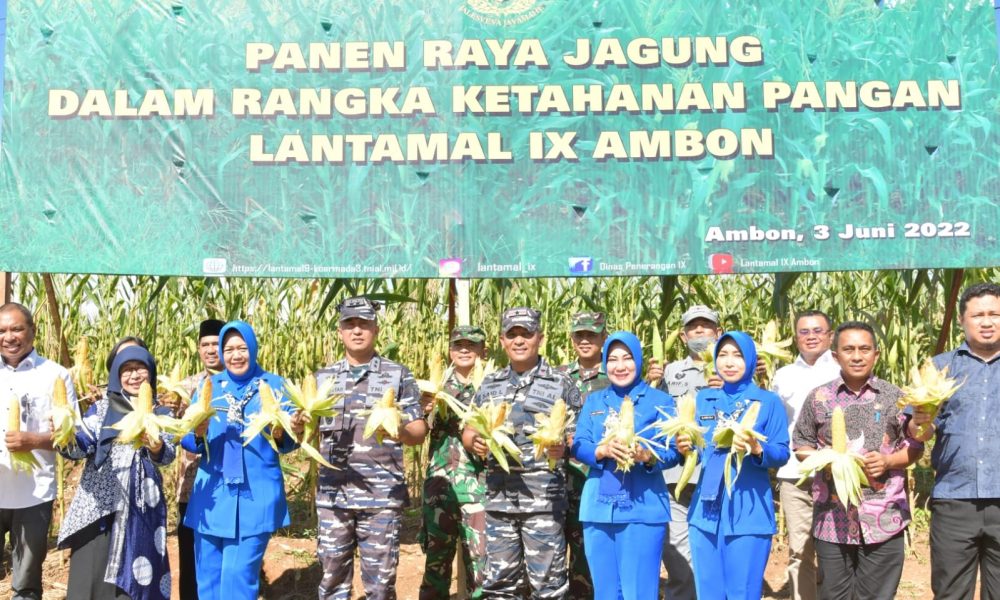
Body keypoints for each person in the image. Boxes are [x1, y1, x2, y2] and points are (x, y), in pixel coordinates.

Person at [792, 321, 923, 600]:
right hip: (832, 519)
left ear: (876, 354)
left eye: (864, 349)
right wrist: (823, 460)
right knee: (833, 595)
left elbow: (916, 447)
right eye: (848, 349)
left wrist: (889, 462)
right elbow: (801, 443)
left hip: (884, 517)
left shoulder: (896, 397)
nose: (857, 355)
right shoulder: (818, 398)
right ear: (836, 355)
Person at [462, 306, 582, 599]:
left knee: (548, 587)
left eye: (526, 334)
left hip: (542, 503)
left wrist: (564, 445)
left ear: (539, 338)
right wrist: (473, 441)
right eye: (511, 334)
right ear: (502, 341)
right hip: (499, 502)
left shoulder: (560, 383)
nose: (518, 340)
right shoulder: (490, 384)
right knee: (500, 586)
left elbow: (579, 435)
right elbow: (469, 427)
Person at [313, 296, 427, 600]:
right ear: (340, 332)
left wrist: (394, 425)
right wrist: (298, 423)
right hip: (333, 498)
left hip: (382, 497)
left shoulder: (397, 375)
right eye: (350, 324)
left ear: (375, 329)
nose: (357, 331)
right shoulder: (323, 378)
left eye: (364, 324)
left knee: (380, 585)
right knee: (332, 581)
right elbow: (307, 433)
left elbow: (418, 432)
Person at [181, 320, 301, 600]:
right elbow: (188, 439)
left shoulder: (275, 385)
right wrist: (196, 434)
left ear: (254, 348)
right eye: (229, 349)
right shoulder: (210, 386)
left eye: (242, 348)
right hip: (211, 498)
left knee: (238, 581)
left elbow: (289, 443)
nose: (236, 355)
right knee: (207, 580)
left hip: (254, 498)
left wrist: (286, 429)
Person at [57, 345, 175, 600]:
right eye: (127, 370)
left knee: (135, 580)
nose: (134, 375)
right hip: (100, 508)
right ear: (116, 376)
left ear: (151, 373)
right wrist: (65, 437)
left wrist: (156, 446)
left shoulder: (162, 414)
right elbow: (83, 443)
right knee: (92, 577)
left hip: (142, 511)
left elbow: (168, 454)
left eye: (140, 368)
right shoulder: (101, 410)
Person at [571, 330, 681, 600]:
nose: (620, 366)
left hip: (642, 509)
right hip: (598, 510)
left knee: (639, 593)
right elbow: (579, 444)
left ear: (639, 359)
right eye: (613, 359)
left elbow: (674, 451)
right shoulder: (595, 400)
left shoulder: (661, 401)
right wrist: (601, 450)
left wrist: (647, 456)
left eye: (627, 358)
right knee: (606, 594)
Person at [682, 331, 789, 600]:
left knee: (742, 592)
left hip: (748, 512)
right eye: (723, 355)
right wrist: (684, 445)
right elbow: (695, 446)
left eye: (738, 355)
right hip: (705, 513)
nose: (729, 362)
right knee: (708, 593)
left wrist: (756, 448)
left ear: (751, 360)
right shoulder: (703, 399)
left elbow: (782, 452)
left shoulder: (768, 402)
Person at [924, 282, 1000, 599]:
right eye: (978, 314)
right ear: (961, 320)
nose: (987, 321)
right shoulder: (940, 368)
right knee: (950, 592)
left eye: (994, 313)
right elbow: (920, 433)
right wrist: (918, 420)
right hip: (954, 499)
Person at [0, 303, 78, 600]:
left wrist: (33, 440)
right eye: (2, 330)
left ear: (33, 331)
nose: (9, 337)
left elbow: (72, 439)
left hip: (34, 492)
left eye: (17, 329)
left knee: (27, 582)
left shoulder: (55, 375)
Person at [647, 304, 724, 600]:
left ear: (718, 332)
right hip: (674, 477)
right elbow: (651, 414)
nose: (700, 331)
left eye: (706, 326)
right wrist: (651, 381)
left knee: (713, 552)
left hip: (716, 477)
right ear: (682, 335)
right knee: (679, 556)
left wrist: (731, 386)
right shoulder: (669, 371)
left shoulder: (730, 368)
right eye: (694, 327)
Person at [771, 310, 840, 600]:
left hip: (837, 473)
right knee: (800, 549)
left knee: (836, 549)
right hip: (794, 475)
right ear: (795, 337)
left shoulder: (842, 369)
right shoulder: (783, 375)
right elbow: (774, 420)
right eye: (804, 332)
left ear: (830, 335)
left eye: (818, 331)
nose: (811, 336)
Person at [418, 325, 488, 600]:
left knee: (481, 563)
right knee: (436, 562)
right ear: (450, 350)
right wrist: (424, 412)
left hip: (479, 486)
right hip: (440, 484)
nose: (464, 349)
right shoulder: (433, 389)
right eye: (458, 345)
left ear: (483, 350)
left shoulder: (493, 385)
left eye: (471, 345)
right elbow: (418, 431)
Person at [556, 311, 610, 599]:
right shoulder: (557, 375)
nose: (585, 340)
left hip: (596, 478)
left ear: (603, 337)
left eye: (592, 334)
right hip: (557, 476)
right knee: (552, 548)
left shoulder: (615, 375)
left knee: (587, 551)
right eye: (580, 335)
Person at [172, 318, 224, 600]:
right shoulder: (185, 387)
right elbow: (170, 428)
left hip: (227, 487)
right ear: (198, 348)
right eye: (205, 344)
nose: (210, 350)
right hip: (191, 488)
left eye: (216, 344)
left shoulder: (236, 384)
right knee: (190, 559)